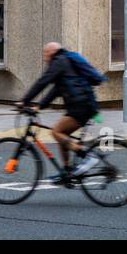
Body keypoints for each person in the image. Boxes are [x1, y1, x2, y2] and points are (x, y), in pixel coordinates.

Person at [16, 42, 102, 182]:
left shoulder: (59, 61)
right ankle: (66, 172)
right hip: (82, 105)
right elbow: (56, 90)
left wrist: (24, 101)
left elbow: (43, 82)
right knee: (63, 135)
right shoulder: (65, 62)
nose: (45, 58)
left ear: (51, 52)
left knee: (56, 132)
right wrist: (39, 106)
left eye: (45, 54)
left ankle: (87, 156)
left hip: (81, 107)